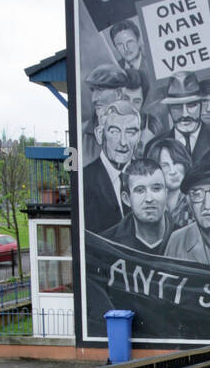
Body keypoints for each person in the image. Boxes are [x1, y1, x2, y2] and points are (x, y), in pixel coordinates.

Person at [82, 100, 141, 234]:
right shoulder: (85, 181)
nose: (123, 142)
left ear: (139, 137)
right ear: (99, 134)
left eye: (131, 132)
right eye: (114, 132)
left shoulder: (150, 176)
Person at [159, 75, 210, 171]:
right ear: (169, 109)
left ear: (200, 105)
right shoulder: (156, 146)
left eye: (192, 105)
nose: (185, 114)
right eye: (177, 107)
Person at [102, 158, 171, 255]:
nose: (149, 199)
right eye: (140, 190)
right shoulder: (106, 244)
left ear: (166, 194)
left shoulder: (184, 240)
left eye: (156, 189)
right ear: (127, 199)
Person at [144, 136, 194, 231]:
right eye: (165, 165)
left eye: (176, 163)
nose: (173, 171)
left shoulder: (195, 201)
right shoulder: (149, 202)